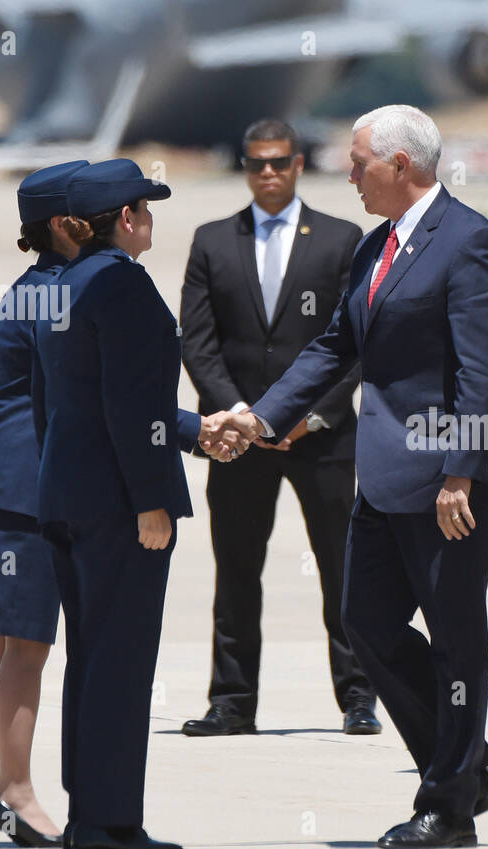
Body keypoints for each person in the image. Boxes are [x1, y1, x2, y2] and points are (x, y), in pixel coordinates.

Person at [210, 104, 488, 849]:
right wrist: (259, 419)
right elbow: (333, 349)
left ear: (400, 164)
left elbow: (485, 371)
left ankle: (447, 806)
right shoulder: (374, 247)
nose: (347, 174)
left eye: (358, 162)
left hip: (452, 478)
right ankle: (464, 767)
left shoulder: (471, 242)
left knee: (455, 637)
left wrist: (462, 472)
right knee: (366, 622)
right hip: (384, 470)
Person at [31, 158, 235, 849]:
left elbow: (79, 401)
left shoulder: (66, 284)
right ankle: (108, 824)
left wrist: (190, 432)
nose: (150, 218)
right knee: (120, 662)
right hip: (118, 504)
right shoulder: (122, 284)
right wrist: (151, 501)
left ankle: (92, 812)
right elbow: (126, 406)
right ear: (125, 219)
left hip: (70, 496)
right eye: (144, 207)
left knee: (92, 659)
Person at [179, 118, 380, 738]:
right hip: (237, 441)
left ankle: (359, 696)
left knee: (341, 569)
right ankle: (233, 703)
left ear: (298, 165)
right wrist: (241, 417)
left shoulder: (343, 239)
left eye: (279, 161)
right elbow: (198, 340)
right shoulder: (213, 241)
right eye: (256, 162)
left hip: (321, 438)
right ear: (245, 167)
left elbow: (360, 343)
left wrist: (310, 415)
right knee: (236, 571)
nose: (268, 172)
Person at [0, 160, 88, 848]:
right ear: (66, 224)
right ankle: (17, 793)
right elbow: (85, 397)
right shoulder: (58, 294)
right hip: (20, 489)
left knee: (0, 649)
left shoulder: (32, 288)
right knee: (26, 650)